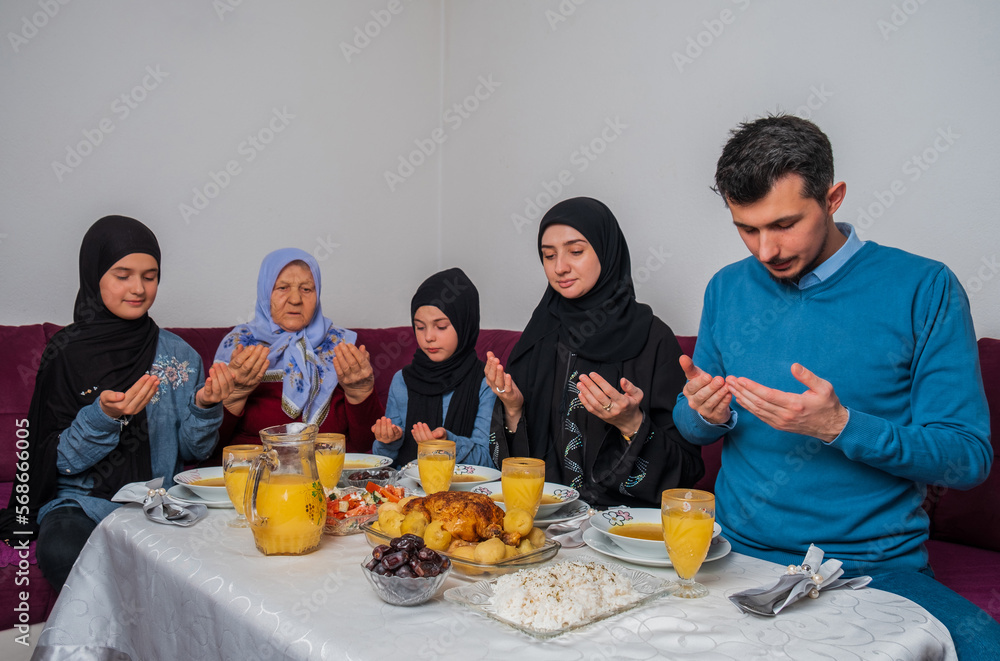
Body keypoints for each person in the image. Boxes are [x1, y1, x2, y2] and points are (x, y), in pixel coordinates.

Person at [673, 115, 999, 657]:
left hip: (870, 570)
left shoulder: (925, 287)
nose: (765, 251)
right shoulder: (727, 288)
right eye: (746, 228)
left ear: (834, 198)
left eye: (783, 224)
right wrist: (704, 413)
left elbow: (966, 459)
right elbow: (690, 426)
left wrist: (840, 426)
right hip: (733, 556)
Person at [1, 216, 233, 592]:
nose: (138, 288)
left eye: (150, 275)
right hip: (82, 502)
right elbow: (56, 460)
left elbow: (194, 451)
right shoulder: (66, 353)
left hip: (157, 501)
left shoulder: (181, 355)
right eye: (122, 274)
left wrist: (205, 406)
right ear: (95, 275)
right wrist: (104, 417)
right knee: (61, 550)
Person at [486, 197, 704, 508]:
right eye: (549, 256)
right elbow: (513, 469)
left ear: (606, 250)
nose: (560, 267)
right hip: (544, 519)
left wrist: (631, 424)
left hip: (622, 529)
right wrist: (513, 409)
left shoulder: (652, 338)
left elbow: (687, 472)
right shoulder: (540, 336)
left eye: (575, 252)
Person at [215, 248, 381, 453]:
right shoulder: (240, 346)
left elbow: (369, 446)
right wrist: (234, 398)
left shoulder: (342, 347)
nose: (295, 299)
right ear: (265, 291)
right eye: (282, 287)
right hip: (258, 472)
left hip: (328, 470)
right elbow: (210, 448)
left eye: (306, 289)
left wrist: (360, 393)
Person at [371, 268, 496, 467]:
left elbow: (489, 461)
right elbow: (385, 460)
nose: (428, 336)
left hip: (464, 494)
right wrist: (388, 440)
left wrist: (447, 446)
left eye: (441, 326)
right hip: (407, 490)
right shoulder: (402, 380)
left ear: (464, 323)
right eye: (420, 327)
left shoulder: (486, 382)